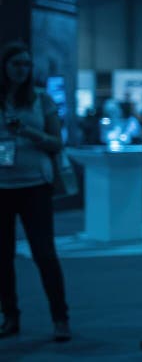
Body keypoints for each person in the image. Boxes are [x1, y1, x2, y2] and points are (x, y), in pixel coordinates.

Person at [0, 42, 70, 342]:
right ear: (4, 66)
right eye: (16, 64)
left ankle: (60, 319)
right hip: (2, 187)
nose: (22, 69)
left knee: (45, 254)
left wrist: (26, 132)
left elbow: (57, 142)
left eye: (26, 64)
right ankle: (10, 317)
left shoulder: (41, 99)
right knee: (2, 257)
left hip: (35, 187)